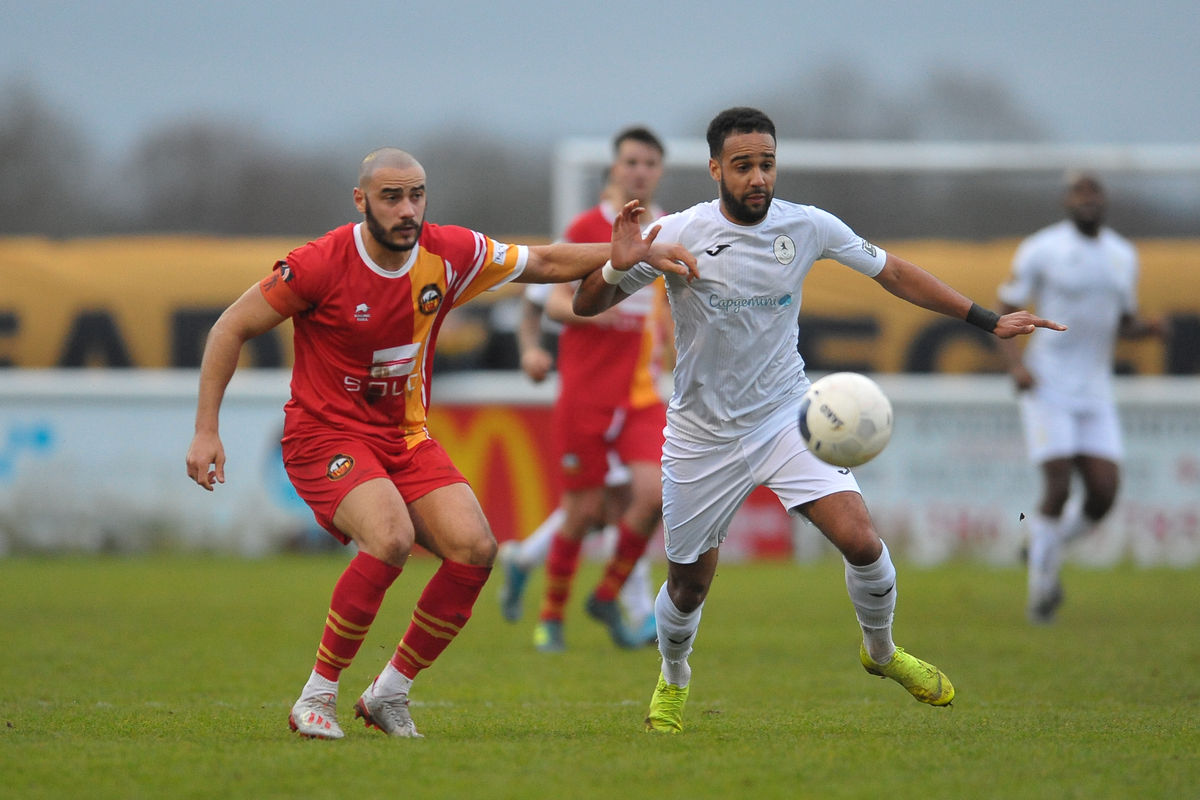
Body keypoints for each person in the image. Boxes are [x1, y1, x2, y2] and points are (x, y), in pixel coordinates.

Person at [572, 107, 1065, 733]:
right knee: (689, 586)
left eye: (767, 164)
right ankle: (673, 679)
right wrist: (618, 264)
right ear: (716, 168)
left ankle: (881, 652)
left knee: (862, 541)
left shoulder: (806, 227)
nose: (757, 177)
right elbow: (585, 304)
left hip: (785, 418)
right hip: (700, 436)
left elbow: (895, 274)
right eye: (744, 165)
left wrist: (989, 319)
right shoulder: (678, 232)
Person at [184, 147, 696, 740]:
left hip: (404, 436)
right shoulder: (321, 263)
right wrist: (205, 429)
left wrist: (624, 254)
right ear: (361, 202)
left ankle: (389, 693)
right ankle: (316, 695)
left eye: (417, 195)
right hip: (324, 435)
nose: (408, 209)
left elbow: (547, 260)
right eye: (392, 197)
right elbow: (231, 327)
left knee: (476, 549)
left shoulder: (450, 254)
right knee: (391, 537)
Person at [500, 126, 671, 652]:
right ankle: (552, 617)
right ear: (616, 168)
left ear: (658, 170)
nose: (639, 171)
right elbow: (543, 300)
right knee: (585, 511)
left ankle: (607, 596)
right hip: (588, 392)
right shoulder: (585, 227)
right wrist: (586, 313)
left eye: (649, 163)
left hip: (640, 391)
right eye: (631, 162)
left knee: (655, 494)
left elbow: (668, 308)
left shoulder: (668, 228)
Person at [997, 171, 1167, 624]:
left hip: (1095, 389)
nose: (1088, 199)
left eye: (1095, 192)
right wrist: (1016, 365)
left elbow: (1121, 320)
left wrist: (1146, 329)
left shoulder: (1121, 255)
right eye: (1080, 192)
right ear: (1066, 202)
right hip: (1047, 382)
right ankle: (1041, 594)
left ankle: (1039, 545)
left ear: (1105, 202)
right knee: (1058, 482)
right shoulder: (1042, 248)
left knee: (1104, 494)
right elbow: (1005, 309)